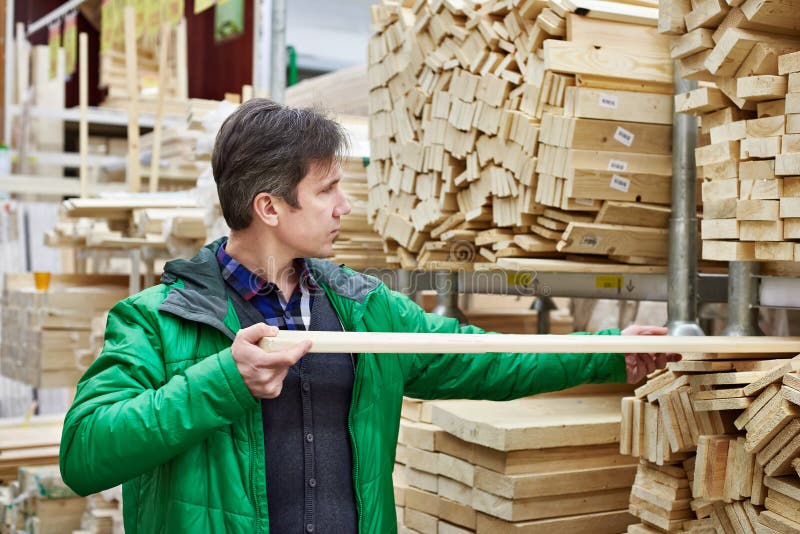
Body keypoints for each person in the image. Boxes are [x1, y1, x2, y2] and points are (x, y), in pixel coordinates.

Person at [60, 99, 679, 533]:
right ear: (270, 206)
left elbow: (477, 357)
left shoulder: (361, 307)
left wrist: (607, 349)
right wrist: (225, 380)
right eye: (328, 189)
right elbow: (85, 453)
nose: (344, 206)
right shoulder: (156, 320)